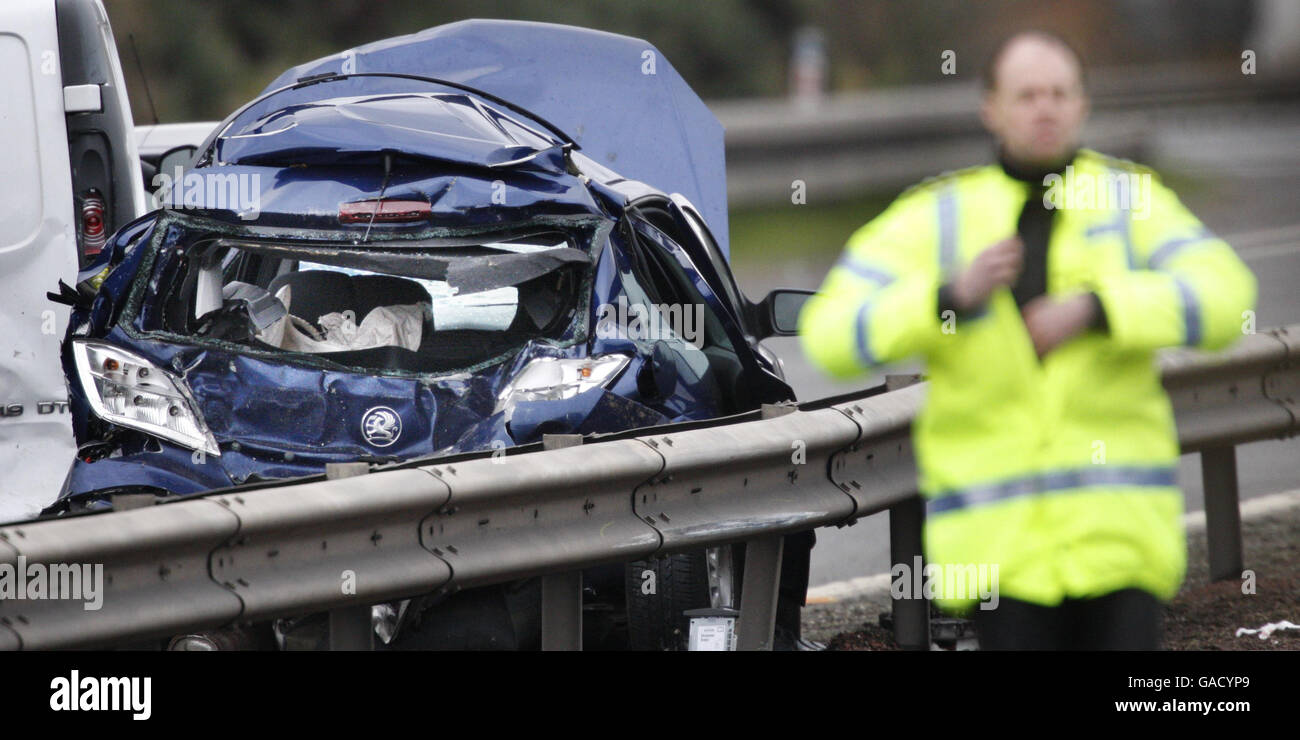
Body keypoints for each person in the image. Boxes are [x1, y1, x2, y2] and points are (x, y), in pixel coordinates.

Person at [797, 31, 1257, 649]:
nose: (1045, 107)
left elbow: (1228, 298)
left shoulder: (1129, 200)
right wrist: (945, 297)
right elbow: (829, 333)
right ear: (991, 108)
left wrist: (1102, 308)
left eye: (1060, 93)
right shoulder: (939, 215)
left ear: (1082, 105)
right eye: (1027, 94)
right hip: (999, 560)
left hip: (1118, 547)